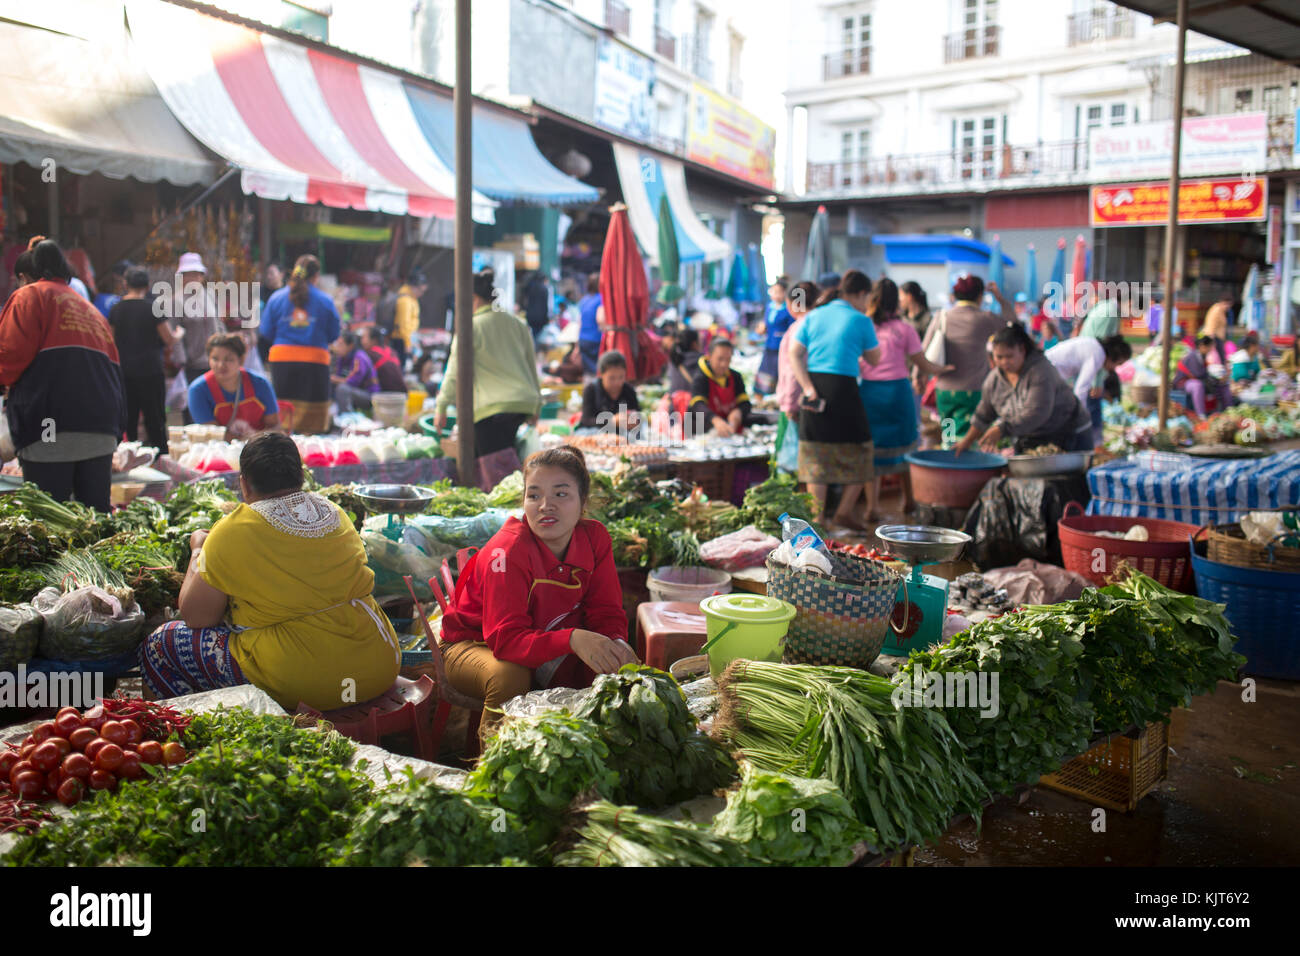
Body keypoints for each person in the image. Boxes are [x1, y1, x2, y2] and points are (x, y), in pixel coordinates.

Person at [138, 433, 400, 708]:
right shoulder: (334, 513)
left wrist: (198, 550)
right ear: (300, 476)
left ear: (244, 484)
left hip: (306, 684)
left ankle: (188, 741)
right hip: (377, 667)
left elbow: (197, 617)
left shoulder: (232, 530)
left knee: (160, 644)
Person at [440, 446, 638, 740]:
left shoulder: (595, 538)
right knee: (511, 676)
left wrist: (617, 643)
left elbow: (606, 611)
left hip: (540, 637)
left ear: (582, 502)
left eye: (560, 494)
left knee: (620, 667)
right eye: (534, 495)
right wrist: (573, 638)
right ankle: (494, 762)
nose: (545, 505)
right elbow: (505, 640)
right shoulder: (506, 552)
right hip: (473, 645)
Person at [0, 237, 126, 512]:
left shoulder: (29, 296)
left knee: (50, 525)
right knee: (94, 525)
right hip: (102, 429)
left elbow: (8, 358)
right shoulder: (91, 310)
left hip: (51, 428)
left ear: (25, 276)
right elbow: (116, 373)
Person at [788, 270, 883, 530]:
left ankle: (817, 520)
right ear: (863, 294)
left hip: (814, 391)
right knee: (862, 451)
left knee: (815, 455)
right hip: (844, 390)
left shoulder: (815, 315)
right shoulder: (861, 320)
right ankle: (843, 512)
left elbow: (794, 353)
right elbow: (875, 359)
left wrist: (807, 387)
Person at [858, 278, 953, 519]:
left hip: (870, 393)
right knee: (906, 446)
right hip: (898, 393)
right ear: (895, 302)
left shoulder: (864, 326)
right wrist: (943, 369)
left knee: (873, 450)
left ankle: (872, 507)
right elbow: (922, 363)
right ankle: (909, 501)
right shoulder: (904, 329)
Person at [434, 268, 542, 458]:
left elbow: (454, 371)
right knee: (501, 461)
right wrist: (537, 404)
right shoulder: (517, 324)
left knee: (494, 468)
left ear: (473, 298)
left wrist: (441, 407)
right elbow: (531, 367)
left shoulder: (471, 327)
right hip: (523, 402)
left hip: (491, 408)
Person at [954, 323, 1092, 456]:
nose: (1004, 362)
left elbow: (1036, 413)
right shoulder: (994, 380)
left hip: (1069, 434)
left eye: (1009, 356)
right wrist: (967, 441)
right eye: (999, 357)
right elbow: (984, 414)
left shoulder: (1040, 372)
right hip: (1033, 438)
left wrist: (1002, 429)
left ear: (1022, 350)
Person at [922, 274, 1014, 445]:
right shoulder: (984, 318)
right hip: (974, 392)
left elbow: (923, 352)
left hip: (944, 391)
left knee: (949, 434)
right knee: (971, 438)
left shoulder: (942, 316)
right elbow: (1013, 324)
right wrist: (1000, 299)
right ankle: (968, 469)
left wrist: (918, 376)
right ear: (980, 296)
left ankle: (948, 461)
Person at [260, 254, 341, 434]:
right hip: (315, 361)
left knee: (285, 413)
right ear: (316, 276)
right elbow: (334, 334)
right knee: (314, 421)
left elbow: (266, 332)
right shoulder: (326, 300)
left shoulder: (276, 298)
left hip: (282, 360)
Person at [110, 268, 184, 451]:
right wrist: (179, 334)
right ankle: (160, 457)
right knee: (155, 417)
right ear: (147, 285)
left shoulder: (116, 308)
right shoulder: (153, 307)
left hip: (125, 371)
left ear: (125, 284)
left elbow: (109, 341)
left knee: (128, 418)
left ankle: (129, 455)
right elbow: (168, 339)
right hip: (150, 371)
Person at [187, 333, 280, 438]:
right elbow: (212, 433)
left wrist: (254, 440)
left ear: (241, 360)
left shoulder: (260, 384)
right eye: (215, 359)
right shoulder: (198, 390)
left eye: (229, 359)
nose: (221, 365)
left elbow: (274, 425)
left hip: (259, 447)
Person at [1046, 334, 1132, 446]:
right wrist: (1082, 417)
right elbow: (1081, 390)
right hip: (1048, 373)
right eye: (1118, 363)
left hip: (1050, 371)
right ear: (1115, 357)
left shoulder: (1095, 347)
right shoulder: (1097, 355)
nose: (1114, 368)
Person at [773, 280, 819, 473]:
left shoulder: (799, 328)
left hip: (798, 401)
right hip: (814, 398)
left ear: (794, 303)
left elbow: (793, 370)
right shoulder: (818, 324)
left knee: (795, 463)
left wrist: (790, 404)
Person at [170, 252, 222, 424]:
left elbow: (219, 324)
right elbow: (174, 335)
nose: (193, 278)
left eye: (196, 274)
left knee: (216, 404)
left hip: (216, 362)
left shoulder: (209, 295)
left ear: (202, 276)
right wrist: (183, 361)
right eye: (188, 274)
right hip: (192, 364)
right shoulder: (176, 301)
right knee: (194, 408)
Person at [687, 337, 752, 438]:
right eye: (720, 359)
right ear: (710, 356)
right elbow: (697, 405)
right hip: (702, 430)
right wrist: (715, 420)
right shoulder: (700, 377)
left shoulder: (735, 377)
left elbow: (745, 403)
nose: (724, 364)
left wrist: (738, 412)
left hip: (729, 429)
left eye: (728, 359)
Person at [581, 350, 641, 434]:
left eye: (621, 377)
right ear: (601, 374)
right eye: (612, 378)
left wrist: (633, 420)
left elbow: (638, 414)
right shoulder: (591, 390)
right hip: (597, 434)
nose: (617, 382)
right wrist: (612, 421)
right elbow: (586, 420)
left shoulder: (629, 391)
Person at [1173, 336, 1233, 418]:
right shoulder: (1192, 356)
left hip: (1199, 379)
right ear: (1202, 346)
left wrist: (1218, 380)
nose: (1210, 349)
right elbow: (1198, 374)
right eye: (1209, 347)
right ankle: (1201, 415)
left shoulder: (1203, 356)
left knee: (1223, 385)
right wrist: (1214, 379)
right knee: (1198, 385)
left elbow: (1204, 374)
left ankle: (1228, 411)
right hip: (1184, 383)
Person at [754, 280, 791, 395]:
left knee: (780, 377)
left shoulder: (789, 310)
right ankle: (764, 401)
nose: (775, 295)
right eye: (773, 291)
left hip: (782, 349)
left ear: (785, 293)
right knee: (765, 377)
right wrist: (761, 328)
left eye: (778, 292)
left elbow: (792, 329)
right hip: (769, 346)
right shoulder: (769, 307)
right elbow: (766, 324)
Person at [330, 332, 379, 414]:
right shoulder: (342, 358)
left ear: (350, 345)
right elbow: (338, 375)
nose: (338, 348)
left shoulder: (359, 357)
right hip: (355, 391)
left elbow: (353, 382)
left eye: (341, 345)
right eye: (337, 344)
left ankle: (346, 418)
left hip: (369, 396)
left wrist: (333, 379)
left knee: (342, 389)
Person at [392, 270, 428, 368]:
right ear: (413, 287)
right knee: (400, 367)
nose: (422, 294)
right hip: (401, 341)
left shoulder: (412, 300)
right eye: (421, 290)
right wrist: (407, 344)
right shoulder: (405, 301)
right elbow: (403, 325)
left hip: (406, 339)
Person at [362, 325, 407, 393]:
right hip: (403, 393)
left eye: (364, 337)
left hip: (385, 396)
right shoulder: (392, 351)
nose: (361, 340)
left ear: (374, 340)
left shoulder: (369, 354)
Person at [577, 275, 603, 376]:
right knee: (599, 372)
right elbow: (600, 319)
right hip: (596, 340)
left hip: (583, 339)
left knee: (588, 373)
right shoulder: (601, 299)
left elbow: (579, 321)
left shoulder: (584, 300)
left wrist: (577, 344)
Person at [1201, 294, 1233, 366]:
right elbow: (1211, 326)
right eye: (1226, 304)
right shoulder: (1216, 310)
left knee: (1221, 358)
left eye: (1229, 304)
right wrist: (1212, 342)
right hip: (1214, 338)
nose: (1227, 306)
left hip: (1218, 338)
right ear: (1221, 302)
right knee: (1217, 358)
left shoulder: (1222, 311)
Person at [667, 327, 701, 394]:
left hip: (675, 401)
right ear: (694, 344)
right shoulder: (700, 360)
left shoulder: (675, 358)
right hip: (693, 402)